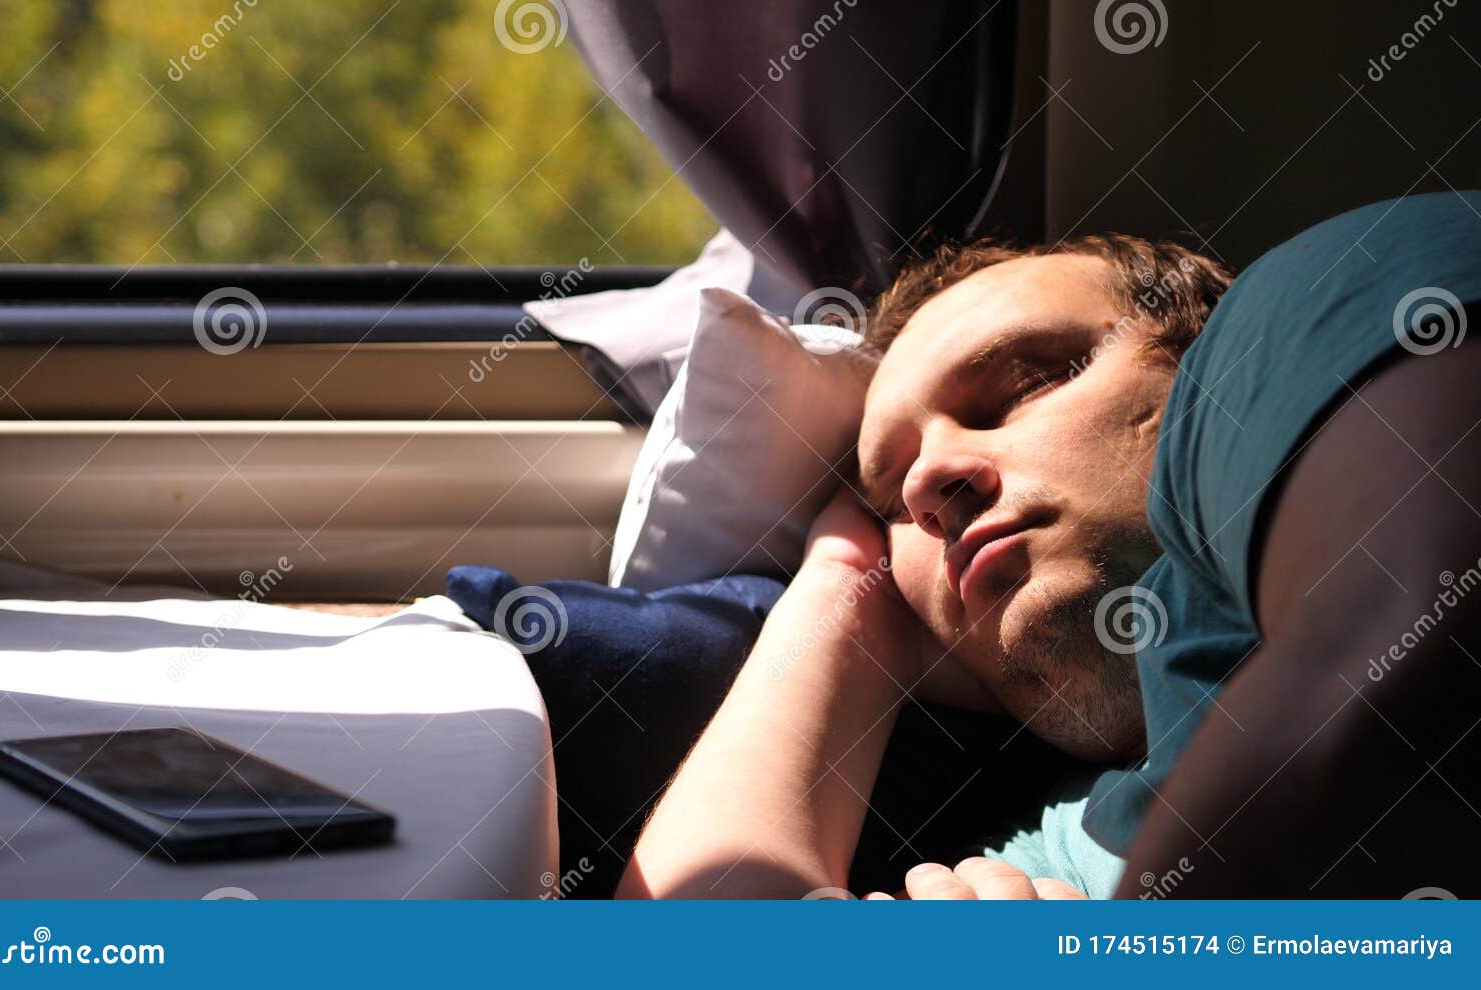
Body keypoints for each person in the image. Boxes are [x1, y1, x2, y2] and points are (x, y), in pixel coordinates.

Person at [617, 189, 1481, 899]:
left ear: (1201, 359)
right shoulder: (1051, 856)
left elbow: (1411, 662)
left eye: (1022, 385)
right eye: (888, 494)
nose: (927, 486)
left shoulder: (1305, 300)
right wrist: (842, 587)